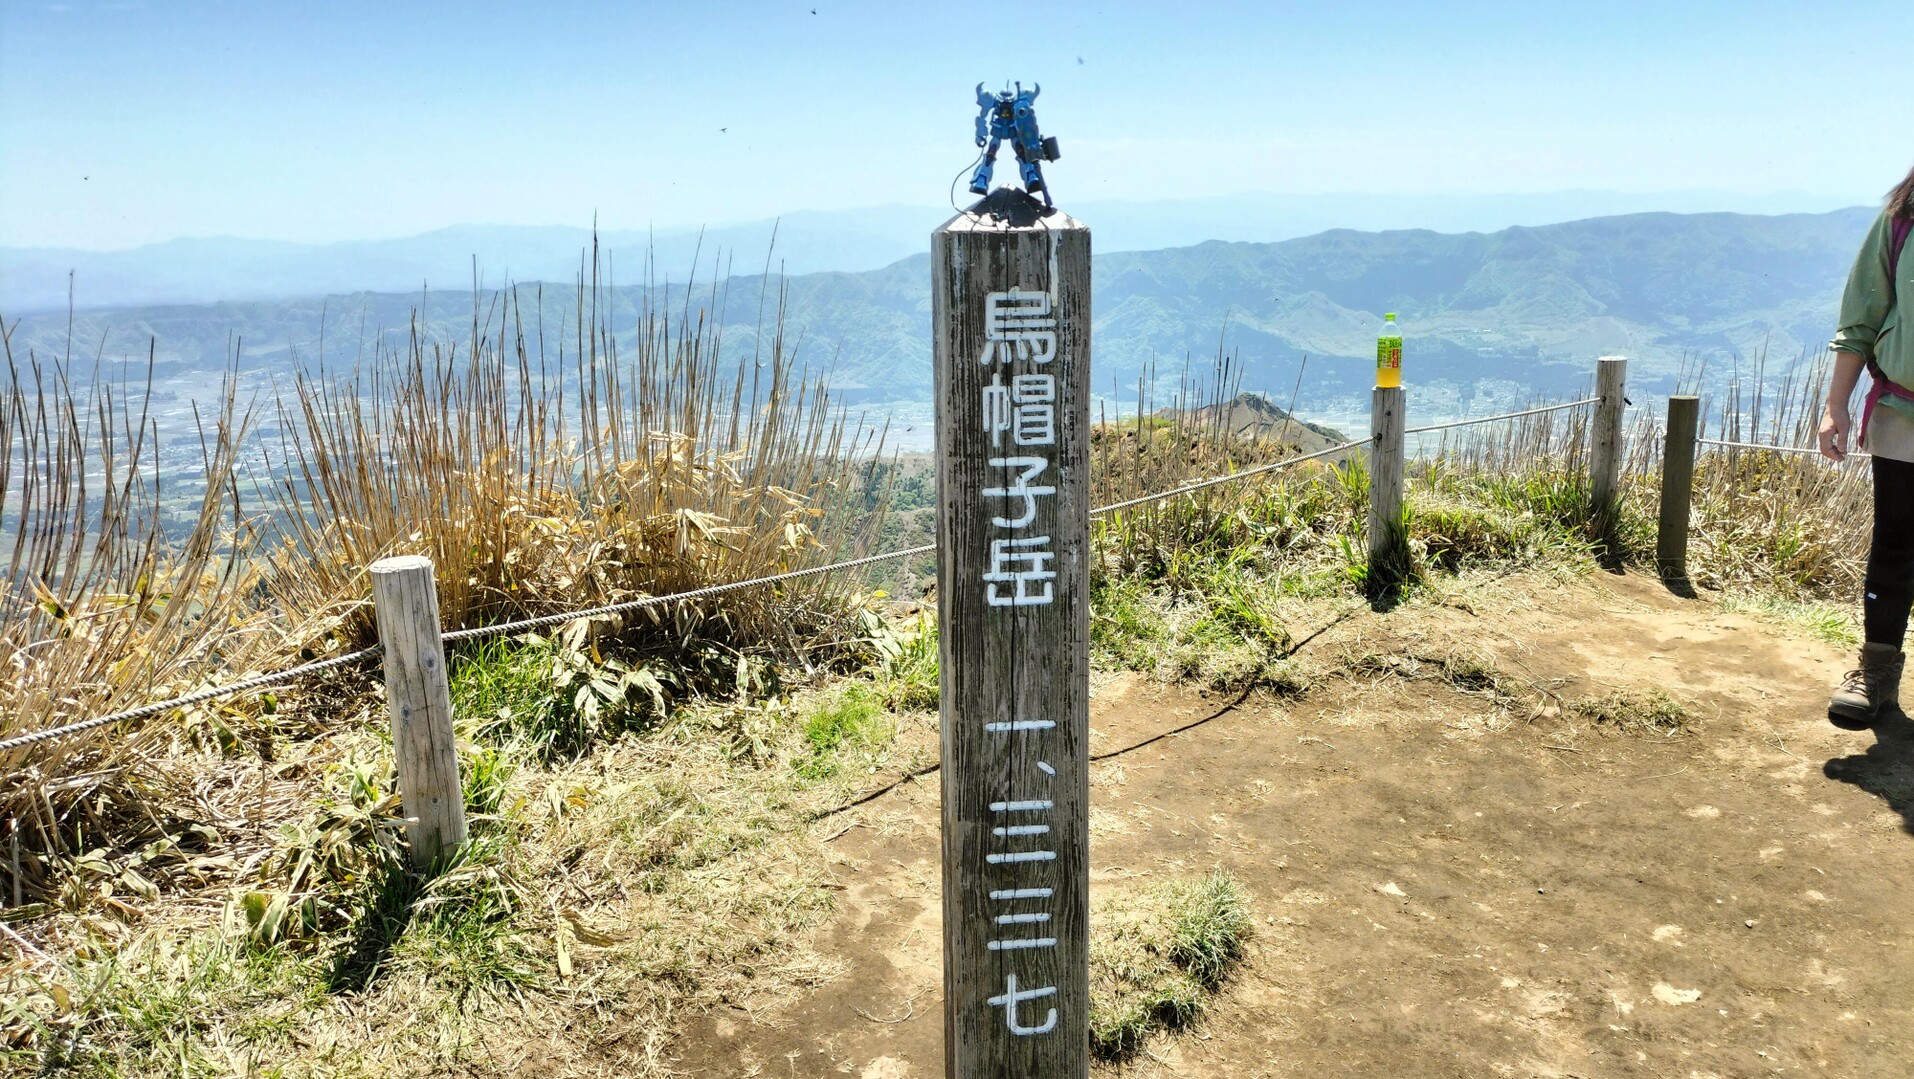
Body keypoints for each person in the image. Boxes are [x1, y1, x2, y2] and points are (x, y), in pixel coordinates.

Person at [1819, 163, 1914, 729]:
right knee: (1896, 545)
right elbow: (1861, 318)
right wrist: (1835, 405)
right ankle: (1876, 668)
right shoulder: (1902, 220)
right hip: (1904, 413)